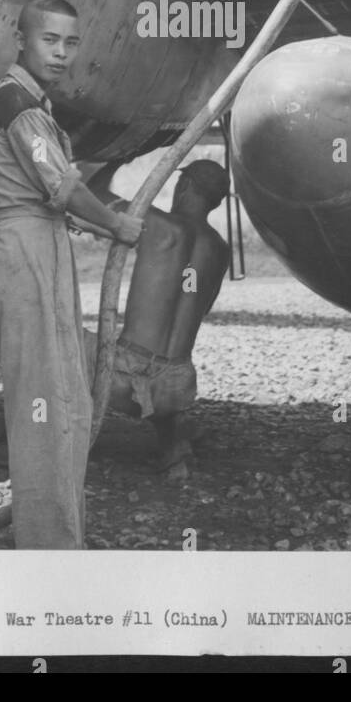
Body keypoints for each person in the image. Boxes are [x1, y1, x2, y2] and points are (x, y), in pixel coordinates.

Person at [0, 0, 142, 549]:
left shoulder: (30, 104)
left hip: (39, 245)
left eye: (72, 43)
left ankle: (58, 539)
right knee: (44, 408)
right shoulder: (16, 104)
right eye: (51, 40)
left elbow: (52, 196)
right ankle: (48, 552)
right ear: (21, 38)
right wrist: (115, 228)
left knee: (67, 397)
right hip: (24, 255)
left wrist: (98, 223)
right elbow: (63, 188)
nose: (63, 53)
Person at [98, 159, 231, 471]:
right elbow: (203, 306)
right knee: (165, 366)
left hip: (122, 381)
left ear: (183, 187)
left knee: (55, 339)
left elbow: (91, 196)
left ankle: (12, 443)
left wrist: (112, 161)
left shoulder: (157, 224)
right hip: (177, 387)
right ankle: (173, 446)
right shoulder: (220, 251)